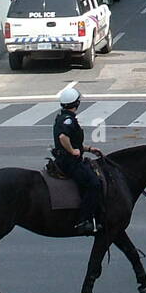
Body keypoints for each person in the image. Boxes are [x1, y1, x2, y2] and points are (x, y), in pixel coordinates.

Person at [52, 87, 103, 236]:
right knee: (94, 184)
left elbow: (73, 142)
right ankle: (84, 220)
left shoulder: (63, 117)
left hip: (67, 158)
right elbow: (63, 137)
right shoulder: (68, 120)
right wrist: (72, 151)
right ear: (76, 103)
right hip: (69, 162)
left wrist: (88, 149)